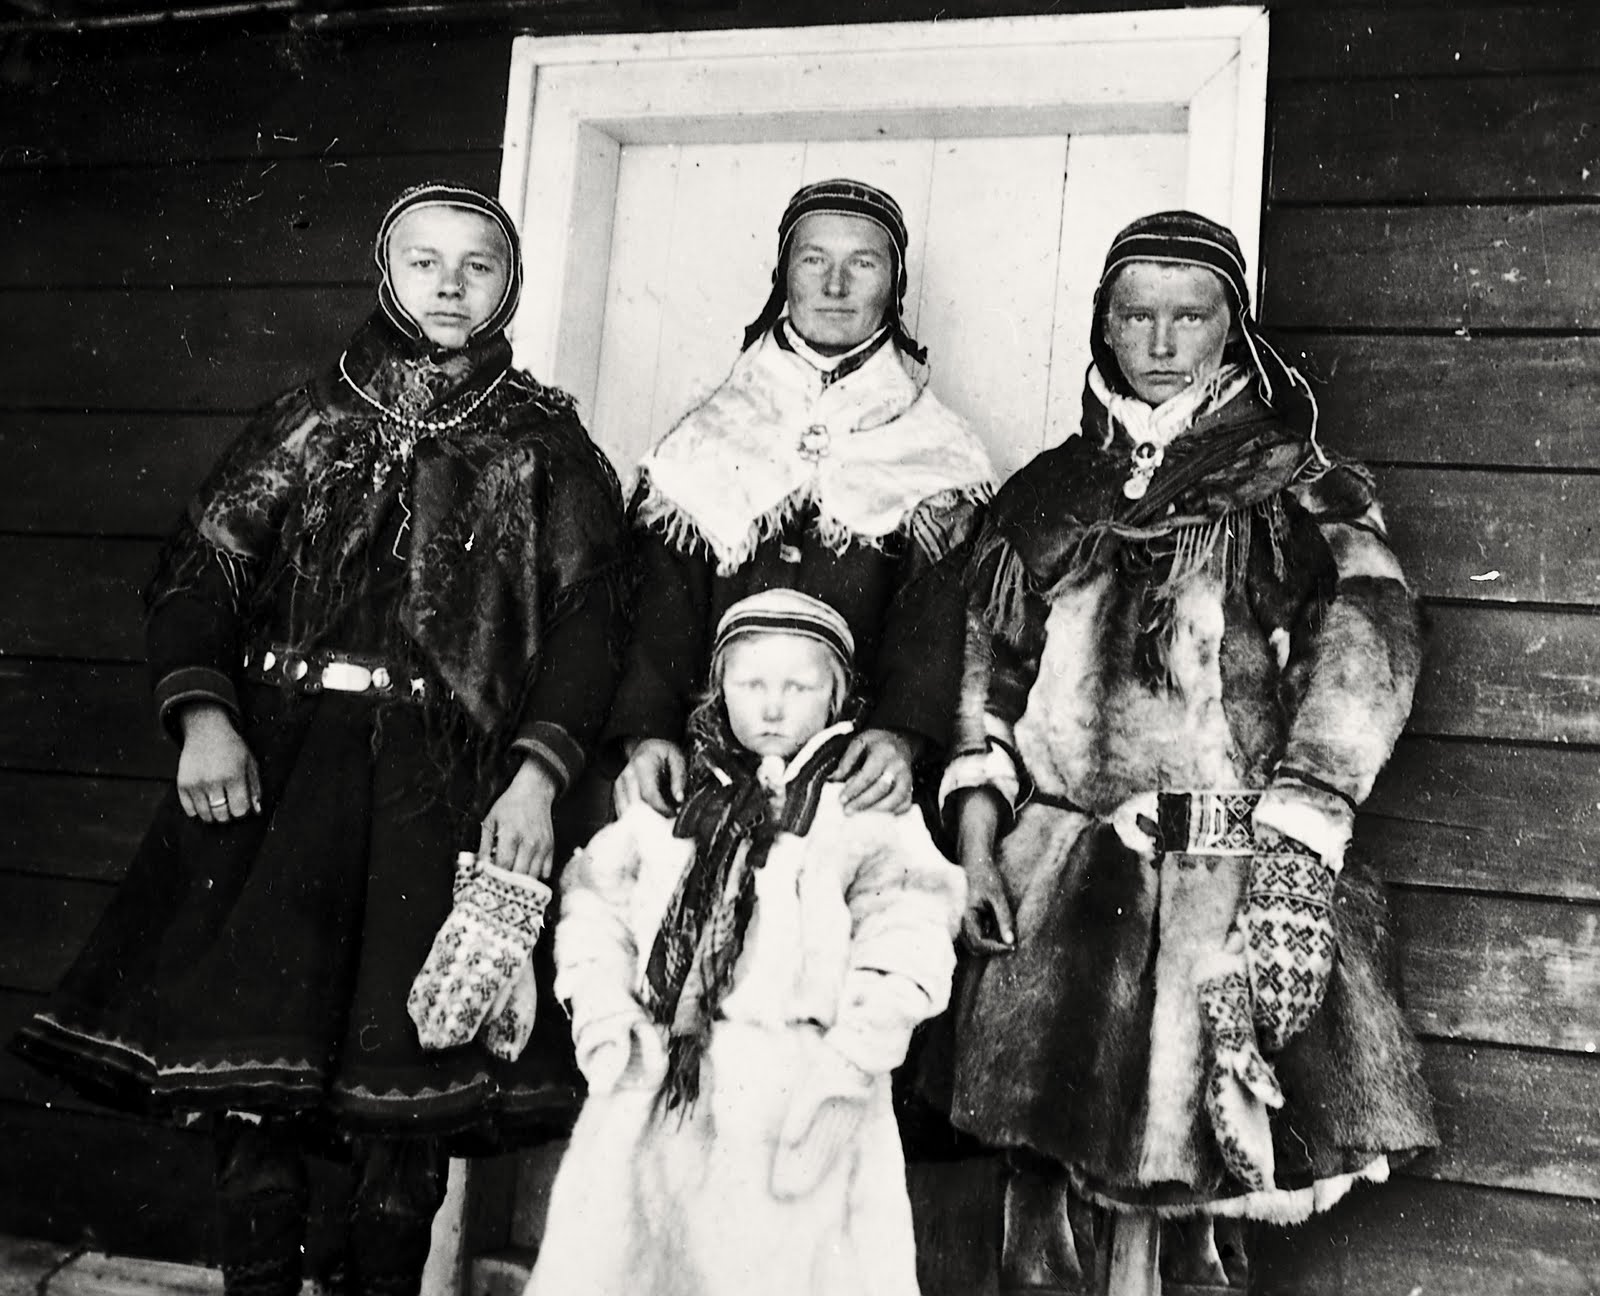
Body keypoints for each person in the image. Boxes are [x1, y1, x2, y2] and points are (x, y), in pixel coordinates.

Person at [10, 183, 630, 1296]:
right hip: (281, 776)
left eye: (477, 264)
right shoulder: (309, 419)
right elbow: (201, 572)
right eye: (426, 261)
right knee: (257, 1078)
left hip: (444, 786)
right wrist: (205, 720)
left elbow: (591, 625)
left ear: (509, 284)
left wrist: (536, 781)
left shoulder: (546, 448)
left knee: (408, 1085)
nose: (451, 284)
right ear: (383, 275)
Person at [925, 211, 1437, 1289]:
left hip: (1228, 882)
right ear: (1104, 328)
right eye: (1135, 316)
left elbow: (1364, 652)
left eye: (1188, 317)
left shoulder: (1293, 488)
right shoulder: (1045, 495)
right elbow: (985, 679)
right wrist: (977, 839)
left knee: (1198, 1219)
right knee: (1041, 1220)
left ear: (1230, 329)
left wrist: (1300, 843)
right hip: (1057, 890)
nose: (1159, 341)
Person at [528, 589, 966, 1296]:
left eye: (797, 687)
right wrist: (608, 1019)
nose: (771, 707)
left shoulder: (858, 812)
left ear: (836, 699)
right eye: (750, 683)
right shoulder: (675, 804)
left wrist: (852, 1059)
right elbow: (595, 906)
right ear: (718, 688)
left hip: (803, 1100)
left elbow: (909, 933)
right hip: (662, 1089)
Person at [606, 177, 996, 822]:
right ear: (782, 273)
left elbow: (937, 626)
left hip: (856, 776)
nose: (834, 286)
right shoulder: (702, 438)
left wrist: (901, 736)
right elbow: (659, 612)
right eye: (814, 260)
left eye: (862, 264)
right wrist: (647, 733)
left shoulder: (941, 455)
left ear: (894, 287)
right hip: (707, 764)